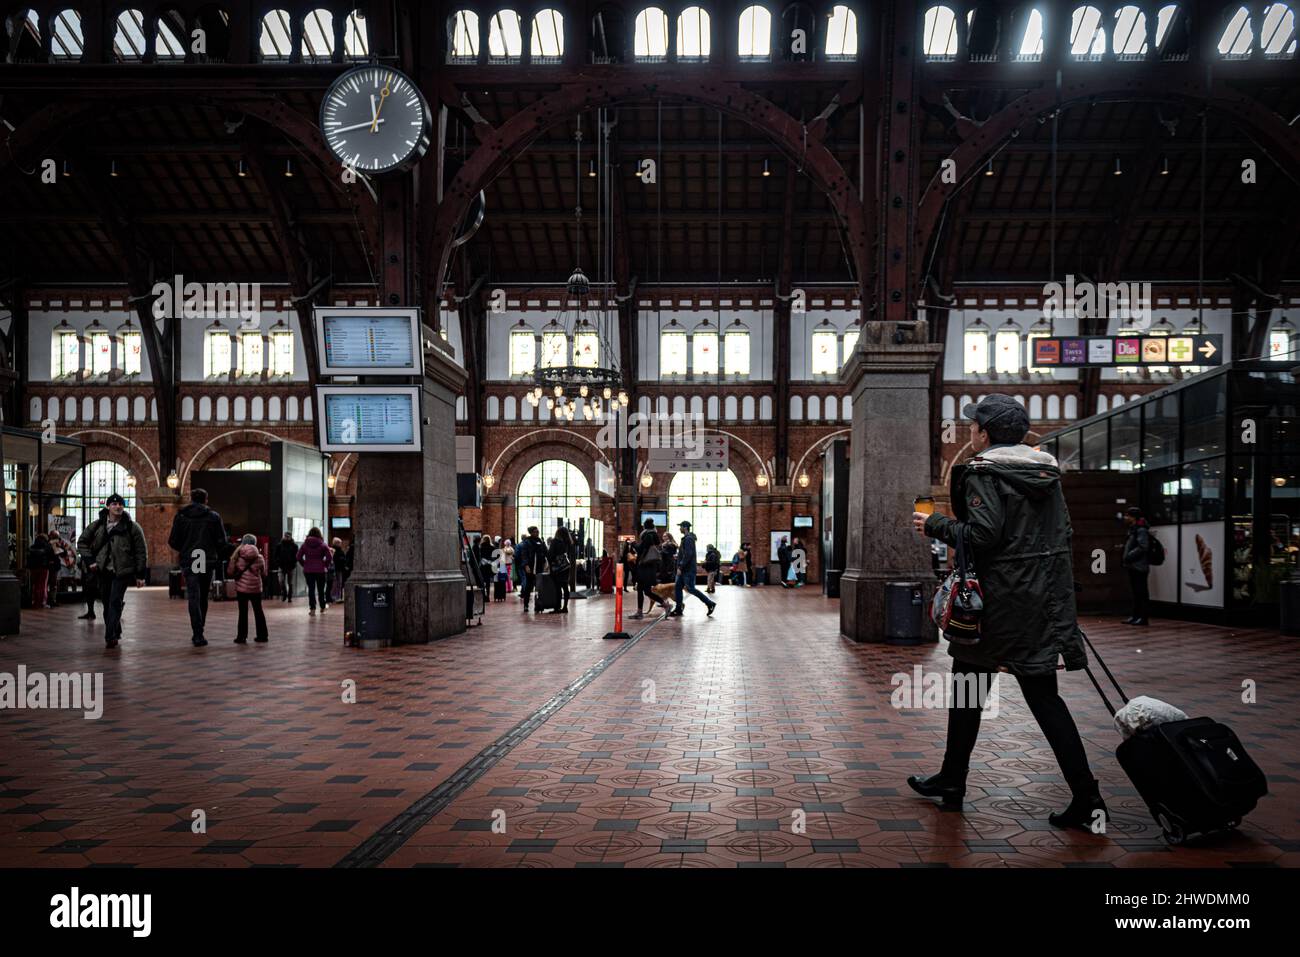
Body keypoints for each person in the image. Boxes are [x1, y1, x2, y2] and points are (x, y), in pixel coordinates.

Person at [908, 393, 1106, 832]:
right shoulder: (1045, 473)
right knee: (1043, 699)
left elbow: (984, 534)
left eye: (973, 427)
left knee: (968, 694)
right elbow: (1061, 534)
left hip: (995, 605)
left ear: (984, 433)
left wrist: (935, 525)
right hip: (1040, 603)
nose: (970, 433)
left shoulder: (985, 472)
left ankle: (954, 782)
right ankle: (1086, 796)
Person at [76, 493, 148, 650]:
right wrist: (90, 561)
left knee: (115, 601)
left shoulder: (132, 527)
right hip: (102, 570)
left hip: (122, 571)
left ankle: (110, 636)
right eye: (114, 504)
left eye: (120, 504)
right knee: (107, 603)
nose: (118, 506)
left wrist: (141, 575)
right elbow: (82, 542)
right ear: (108, 507)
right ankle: (116, 629)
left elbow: (141, 551)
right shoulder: (97, 525)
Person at [167, 487, 225, 647]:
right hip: (206, 560)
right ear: (206, 500)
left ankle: (197, 633)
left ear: (191, 499)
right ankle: (200, 629)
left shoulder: (181, 516)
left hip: (190, 560)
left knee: (193, 596)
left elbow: (173, 541)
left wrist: (185, 548)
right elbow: (221, 541)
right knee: (203, 596)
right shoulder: (213, 517)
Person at [669, 520, 717, 618]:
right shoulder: (686, 538)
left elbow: (688, 554)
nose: (680, 528)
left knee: (691, 589)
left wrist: (680, 566)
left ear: (685, 527)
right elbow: (685, 554)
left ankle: (710, 603)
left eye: (681, 526)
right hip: (683, 569)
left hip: (687, 570)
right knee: (678, 587)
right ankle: (678, 609)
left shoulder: (688, 539)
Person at [228, 533, 269, 644]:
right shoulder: (260, 557)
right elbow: (264, 574)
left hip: (242, 588)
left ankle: (241, 637)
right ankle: (262, 635)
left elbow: (230, 572)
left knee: (243, 612)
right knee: (258, 611)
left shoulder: (237, 556)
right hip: (256, 588)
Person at [630, 518, 672, 619]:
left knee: (642, 589)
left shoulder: (648, 536)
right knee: (646, 591)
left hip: (645, 567)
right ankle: (666, 605)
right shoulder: (654, 535)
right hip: (650, 568)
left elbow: (640, 549)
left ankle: (640, 612)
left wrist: (633, 544)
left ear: (644, 526)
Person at [1121, 506, 1151, 627]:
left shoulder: (1141, 530)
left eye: (1127, 515)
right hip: (1133, 566)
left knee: (1141, 592)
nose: (1125, 517)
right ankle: (1135, 616)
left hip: (1139, 566)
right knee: (1136, 592)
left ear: (1133, 517)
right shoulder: (1134, 529)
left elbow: (1143, 546)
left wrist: (1129, 556)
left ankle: (1143, 618)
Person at [296, 527, 333, 615]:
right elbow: (329, 557)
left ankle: (312, 609)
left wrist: (304, 564)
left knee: (311, 589)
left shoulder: (305, 545)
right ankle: (322, 607)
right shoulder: (323, 544)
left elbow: (298, 557)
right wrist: (325, 565)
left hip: (308, 570)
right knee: (321, 589)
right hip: (320, 570)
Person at [78, 511, 106, 621]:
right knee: (90, 589)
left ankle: (108, 611)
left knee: (102, 589)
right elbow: (84, 543)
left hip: (100, 565)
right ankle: (90, 611)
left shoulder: (104, 528)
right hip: (91, 565)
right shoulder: (95, 527)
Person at [547, 525, 573, 614]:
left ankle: (557, 607)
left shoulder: (555, 541)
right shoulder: (569, 542)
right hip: (566, 567)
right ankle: (565, 607)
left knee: (557, 588)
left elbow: (550, 555)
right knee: (565, 587)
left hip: (557, 568)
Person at [517, 526, 543, 611]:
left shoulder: (540, 541)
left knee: (538, 587)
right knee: (528, 587)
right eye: (535, 531)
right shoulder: (527, 542)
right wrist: (526, 565)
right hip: (530, 568)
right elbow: (524, 555)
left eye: (538, 531)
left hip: (539, 567)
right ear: (531, 532)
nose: (537, 533)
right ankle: (526, 605)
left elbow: (545, 552)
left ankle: (538, 605)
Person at [46, 530, 75, 607]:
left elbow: (63, 553)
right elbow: (61, 553)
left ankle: (50, 600)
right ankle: (52, 600)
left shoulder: (49, 543)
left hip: (51, 566)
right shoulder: (52, 544)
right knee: (53, 584)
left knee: (51, 584)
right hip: (53, 566)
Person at [27, 533, 53, 609]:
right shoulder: (48, 546)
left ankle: (35, 602)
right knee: (43, 585)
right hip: (44, 568)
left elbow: (29, 557)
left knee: (35, 585)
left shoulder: (32, 547)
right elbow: (52, 557)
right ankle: (43, 602)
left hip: (33, 568)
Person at [274, 531, 298, 601]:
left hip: (291, 567)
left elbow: (296, 556)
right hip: (281, 566)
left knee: (290, 582)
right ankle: (284, 593)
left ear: (291, 537)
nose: (287, 537)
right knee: (281, 581)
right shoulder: (279, 545)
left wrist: (293, 563)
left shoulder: (294, 546)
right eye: (285, 536)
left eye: (288, 536)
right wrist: (278, 562)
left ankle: (289, 596)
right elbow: (275, 555)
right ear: (283, 536)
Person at [330, 537, 352, 602]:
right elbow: (337, 559)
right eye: (339, 543)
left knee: (338, 583)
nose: (340, 544)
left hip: (338, 569)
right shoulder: (336, 550)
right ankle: (336, 597)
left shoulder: (338, 550)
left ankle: (337, 596)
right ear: (336, 543)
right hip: (337, 569)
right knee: (336, 583)